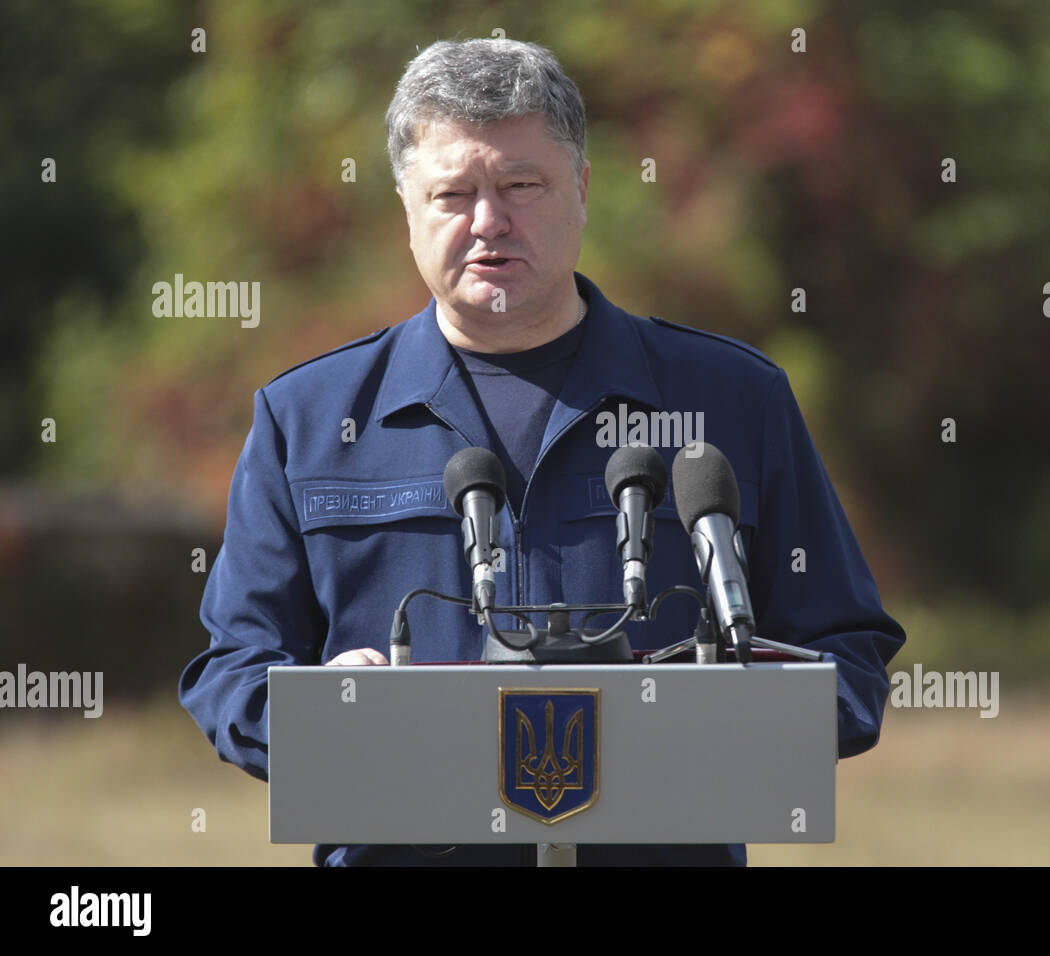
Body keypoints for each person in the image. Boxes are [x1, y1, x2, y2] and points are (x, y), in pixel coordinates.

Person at [179, 37, 906, 867]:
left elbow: (847, 655)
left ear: (583, 190)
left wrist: (735, 712)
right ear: (406, 210)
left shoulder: (732, 401)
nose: (489, 221)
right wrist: (333, 716)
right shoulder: (305, 418)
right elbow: (231, 671)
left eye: (522, 185)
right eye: (453, 193)